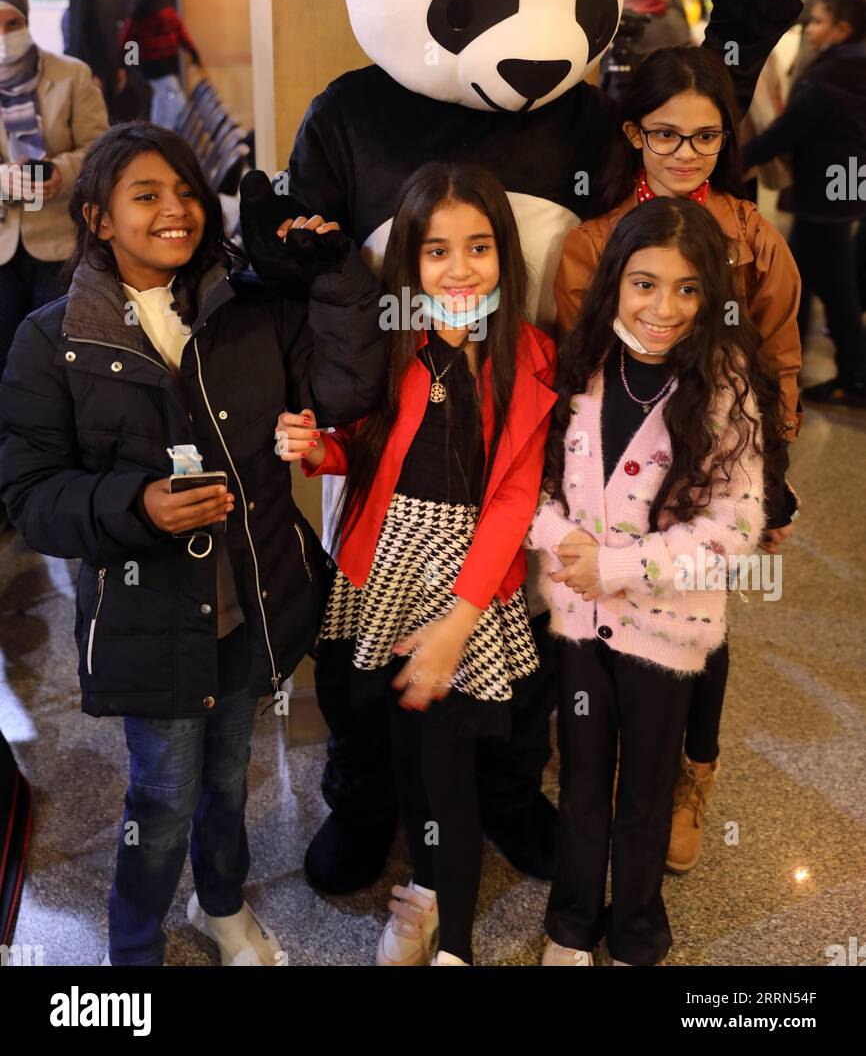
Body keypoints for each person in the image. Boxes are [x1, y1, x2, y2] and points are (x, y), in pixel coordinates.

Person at [0, 123, 386, 967]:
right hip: (148, 619)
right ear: (99, 219)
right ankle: (132, 941)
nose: (176, 210)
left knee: (226, 774)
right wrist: (134, 503)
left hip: (254, 595)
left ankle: (221, 906)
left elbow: (346, 388)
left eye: (185, 192)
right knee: (164, 790)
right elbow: (30, 499)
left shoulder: (246, 308)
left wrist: (337, 274)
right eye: (147, 196)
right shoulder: (51, 341)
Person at [278, 163, 556, 966]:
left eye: (478, 247)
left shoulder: (529, 357)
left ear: (506, 253)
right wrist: (317, 448)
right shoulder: (394, 348)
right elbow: (364, 450)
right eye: (437, 251)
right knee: (398, 737)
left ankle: (451, 937)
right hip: (385, 569)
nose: (460, 268)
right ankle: (424, 894)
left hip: (470, 583)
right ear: (409, 261)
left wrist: (460, 618)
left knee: (449, 760)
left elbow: (512, 501)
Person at [554, 45, 801, 874]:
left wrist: (775, 479)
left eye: (704, 137)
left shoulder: (749, 234)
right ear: (634, 134)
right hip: (617, 452)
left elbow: (779, 356)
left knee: (701, 615)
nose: (684, 154)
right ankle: (616, 765)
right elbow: (576, 355)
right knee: (611, 614)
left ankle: (692, 776)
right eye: (665, 135)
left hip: (716, 458)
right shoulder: (593, 241)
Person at [531, 196, 782, 966]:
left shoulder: (727, 384)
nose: (662, 308)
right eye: (644, 284)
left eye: (687, 289)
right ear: (615, 282)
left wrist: (616, 566)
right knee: (578, 782)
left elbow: (736, 529)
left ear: (711, 296)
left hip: (664, 632)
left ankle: (637, 924)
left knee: (644, 789)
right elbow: (530, 489)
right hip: (578, 624)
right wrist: (558, 536)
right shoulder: (578, 364)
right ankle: (572, 922)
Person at [743, 0, 866, 408]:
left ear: (841, 28)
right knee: (806, 277)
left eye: (817, 20)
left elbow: (787, 130)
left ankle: (854, 376)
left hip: (824, 191)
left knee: (833, 284)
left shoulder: (828, 77)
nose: (808, 28)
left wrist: (736, 159)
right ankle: (787, 363)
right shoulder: (850, 66)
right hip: (845, 183)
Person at [0, 0, 108, 377]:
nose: (5, 35)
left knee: (58, 352)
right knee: (5, 354)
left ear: (27, 21)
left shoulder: (72, 74)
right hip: (2, 240)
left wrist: (62, 171)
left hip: (58, 240)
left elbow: (103, 150)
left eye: (13, 23)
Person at [119, 0, 202, 130]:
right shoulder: (142, 3)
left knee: (163, 108)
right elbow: (128, 37)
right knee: (178, 108)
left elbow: (177, 28)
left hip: (167, 66)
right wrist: (130, 65)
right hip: (155, 68)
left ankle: (159, 141)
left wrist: (192, 52)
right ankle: (167, 142)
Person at [64, 0, 122, 105]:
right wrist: (89, 74)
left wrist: (121, 66)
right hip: (94, 72)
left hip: (111, 69)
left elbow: (114, 29)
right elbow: (77, 33)